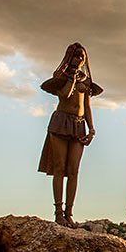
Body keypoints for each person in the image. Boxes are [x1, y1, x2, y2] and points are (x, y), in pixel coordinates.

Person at [38, 42, 102, 227]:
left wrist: (91, 129)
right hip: (61, 122)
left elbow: (87, 106)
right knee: (59, 167)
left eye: (82, 57)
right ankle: (58, 213)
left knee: (74, 170)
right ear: (69, 57)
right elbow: (65, 95)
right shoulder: (61, 76)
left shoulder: (86, 80)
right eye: (76, 56)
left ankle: (69, 213)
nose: (79, 59)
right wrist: (72, 77)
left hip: (78, 125)